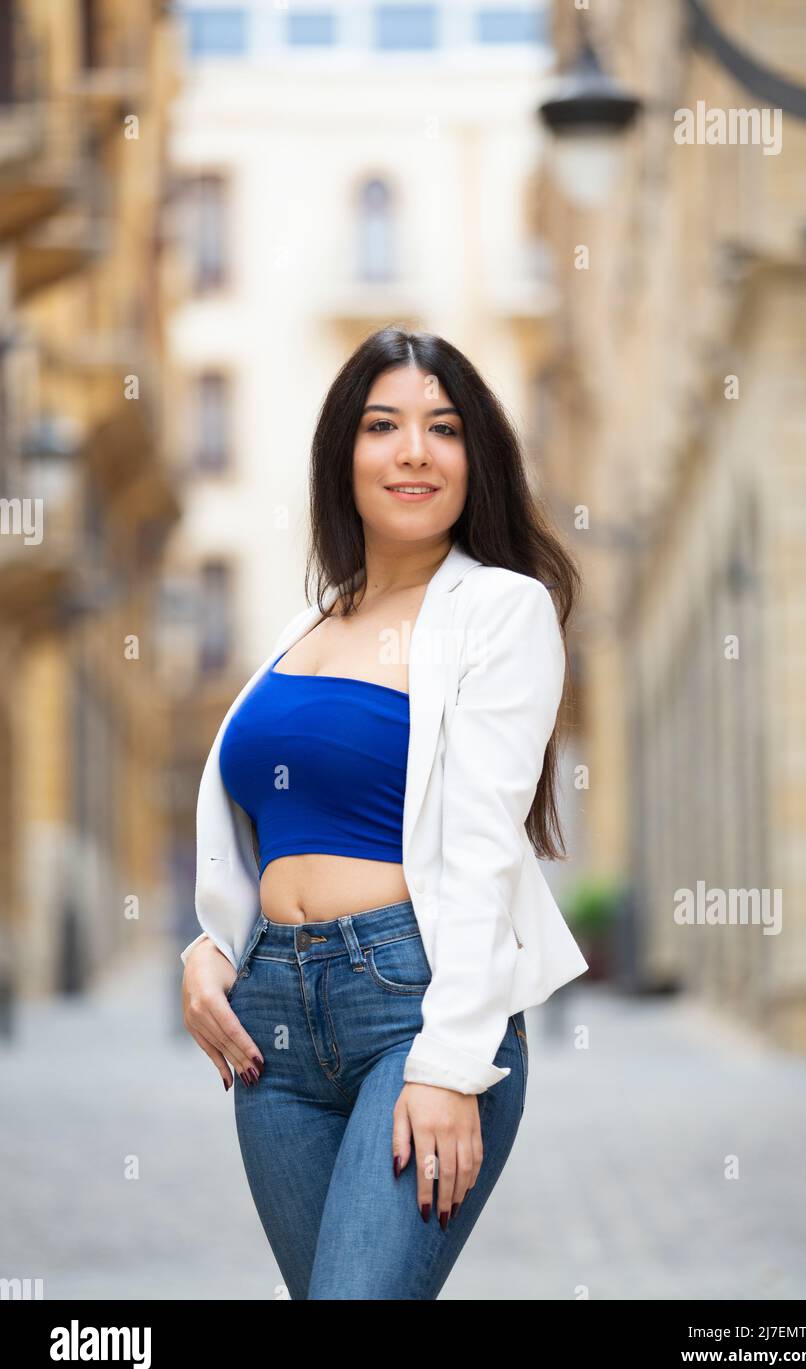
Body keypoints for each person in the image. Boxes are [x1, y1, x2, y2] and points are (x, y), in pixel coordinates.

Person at [180, 325, 589, 1299]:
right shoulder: (303, 627)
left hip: (413, 1003)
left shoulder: (499, 610)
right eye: (382, 425)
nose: (413, 450)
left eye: (443, 428)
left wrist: (450, 1064)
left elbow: (487, 846)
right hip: (269, 1030)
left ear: (473, 459)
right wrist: (210, 947)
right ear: (343, 454)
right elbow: (249, 829)